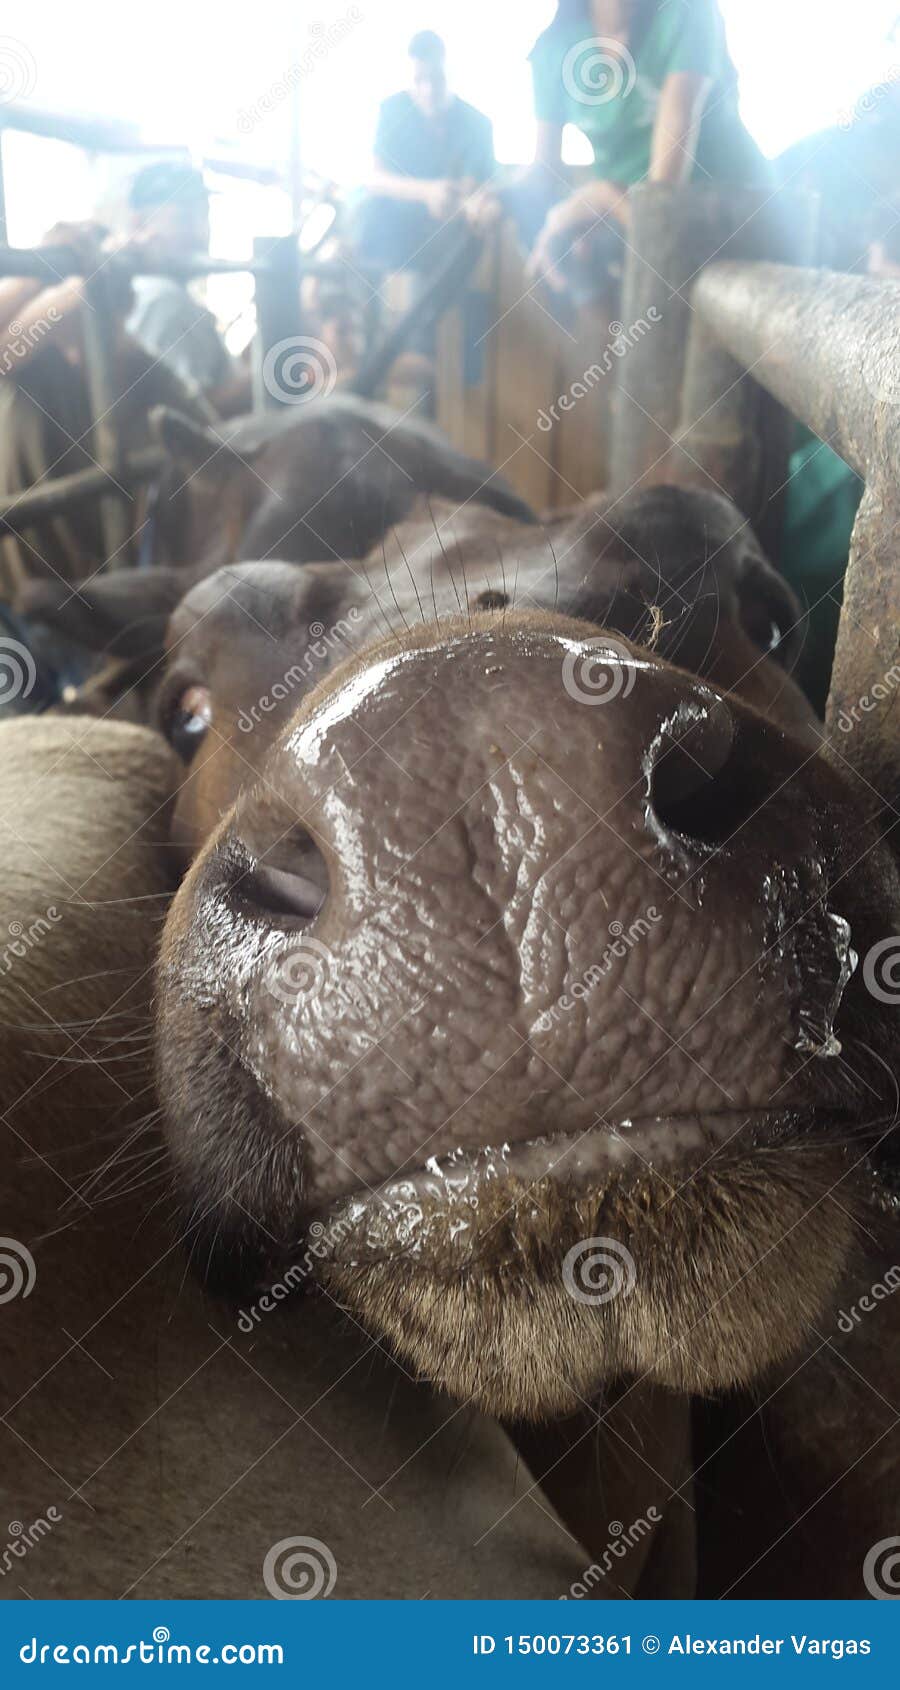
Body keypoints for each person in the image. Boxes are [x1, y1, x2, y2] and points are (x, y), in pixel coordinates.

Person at [0, 220, 210, 598]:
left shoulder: (134, 366)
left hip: (91, 586)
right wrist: (54, 270)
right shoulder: (32, 364)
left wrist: (86, 277)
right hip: (28, 586)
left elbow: (208, 429)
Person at [524, 0, 769, 298]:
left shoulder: (686, 11)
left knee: (639, 256)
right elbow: (543, 169)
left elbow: (660, 210)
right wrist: (502, 200)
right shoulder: (555, 46)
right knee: (565, 248)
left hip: (724, 212)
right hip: (629, 209)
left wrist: (601, 197)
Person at [352, 30, 498, 278]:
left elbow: (477, 186)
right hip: (394, 233)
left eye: (437, 79)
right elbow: (375, 179)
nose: (428, 90)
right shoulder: (391, 111)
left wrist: (461, 203)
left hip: (455, 233)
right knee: (373, 216)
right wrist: (427, 192)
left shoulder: (478, 124)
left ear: (451, 73)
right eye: (419, 80)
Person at [124, 161, 249, 415]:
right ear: (139, 225)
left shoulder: (164, 294)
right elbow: (186, 416)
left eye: (205, 217)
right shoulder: (162, 298)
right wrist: (267, 377)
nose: (202, 234)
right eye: (185, 219)